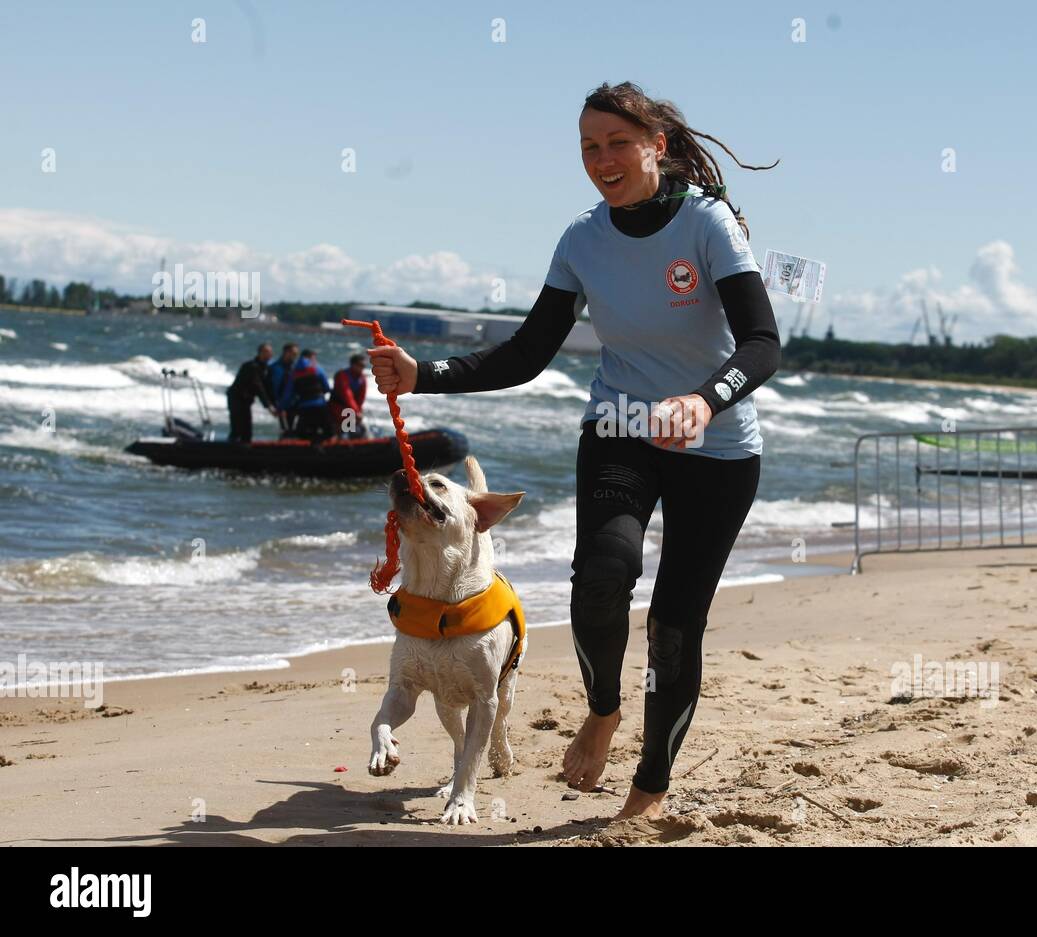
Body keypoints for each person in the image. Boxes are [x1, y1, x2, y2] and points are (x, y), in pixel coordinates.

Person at [368, 81, 781, 820]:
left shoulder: (709, 224)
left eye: (618, 143)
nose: (602, 160)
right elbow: (528, 351)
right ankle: (603, 708)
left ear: (656, 145)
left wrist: (704, 399)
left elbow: (762, 343)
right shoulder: (583, 238)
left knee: (675, 625)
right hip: (620, 431)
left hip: (718, 450)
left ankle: (649, 786)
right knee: (599, 579)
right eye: (589, 147)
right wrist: (423, 374)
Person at [225, 343, 276, 443]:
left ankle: (244, 448)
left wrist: (274, 404)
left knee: (247, 429)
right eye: (267, 352)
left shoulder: (266, 368)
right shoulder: (251, 366)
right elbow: (258, 387)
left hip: (246, 400)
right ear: (260, 353)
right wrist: (268, 406)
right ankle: (231, 449)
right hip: (236, 398)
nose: (270, 355)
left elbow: (267, 388)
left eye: (270, 352)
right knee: (237, 427)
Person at [281, 349, 333, 441]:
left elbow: (288, 394)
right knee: (329, 432)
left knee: (303, 433)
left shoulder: (294, 372)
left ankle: (311, 447)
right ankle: (319, 446)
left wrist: (282, 408)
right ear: (311, 358)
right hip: (320, 405)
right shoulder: (317, 369)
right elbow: (326, 388)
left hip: (304, 408)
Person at [329, 354, 369, 438]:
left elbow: (361, 398)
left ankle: (352, 442)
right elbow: (346, 394)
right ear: (353, 365)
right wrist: (356, 412)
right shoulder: (342, 375)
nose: (362, 368)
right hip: (337, 407)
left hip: (350, 409)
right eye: (360, 365)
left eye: (364, 366)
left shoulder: (362, 379)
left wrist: (358, 412)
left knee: (358, 428)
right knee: (340, 431)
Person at [266, 342, 300, 435]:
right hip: (280, 403)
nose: (295, 356)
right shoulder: (274, 367)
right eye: (293, 353)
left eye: (296, 354)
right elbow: (268, 387)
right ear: (286, 352)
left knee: (292, 428)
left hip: (293, 403)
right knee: (285, 428)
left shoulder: (296, 368)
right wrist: (273, 404)